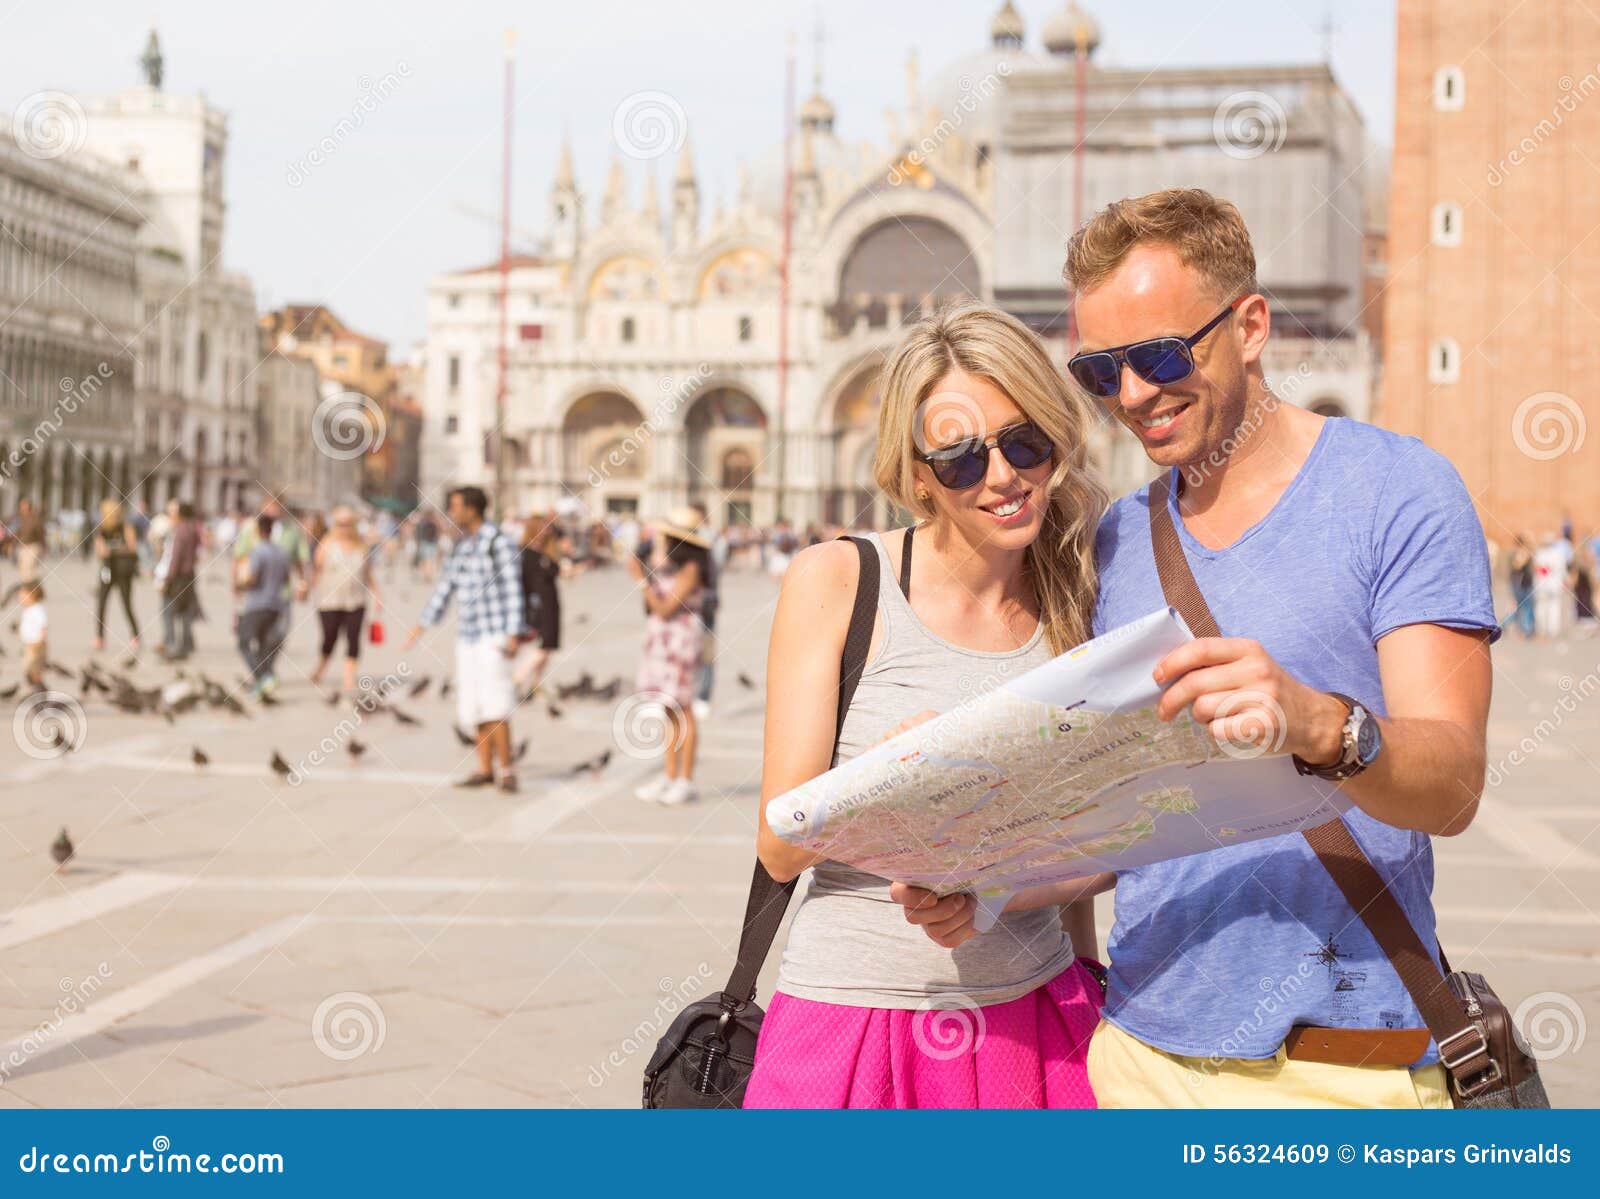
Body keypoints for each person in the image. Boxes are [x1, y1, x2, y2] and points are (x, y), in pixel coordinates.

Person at [986, 186, 1494, 1108]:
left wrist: (1319, 723)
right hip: (1139, 1061)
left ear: (1251, 326)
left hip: (1344, 1069)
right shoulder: (1116, 538)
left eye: (1159, 356)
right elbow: (1132, 829)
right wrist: (983, 879)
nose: (1132, 395)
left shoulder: (1398, 489)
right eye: (1101, 371)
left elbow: (1453, 784)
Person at [746, 301, 1110, 1109]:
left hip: (1040, 1016)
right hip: (853, 1020)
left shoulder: (1079, 597)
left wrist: (1003, 883)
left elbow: (1105, 840)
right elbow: (778, 846)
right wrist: (905, 774)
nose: (1003, 476)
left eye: (1025, 441)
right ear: (917, 474)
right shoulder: (839, 580)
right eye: (960, 460)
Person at [406, 487, 524, 793]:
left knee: (496, 702)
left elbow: (513, 589)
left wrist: (513, 634)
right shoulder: (462, 546)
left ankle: (506, 769)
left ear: (472, 509)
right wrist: (422, 624)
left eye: (456, 506)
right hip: (468, 636)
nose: (452, 512)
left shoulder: (498, 542)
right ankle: (484, 768)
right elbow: (445, 587)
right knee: (473, 704)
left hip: (494, 634)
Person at [627, 509, 710, 807]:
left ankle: (685, 780)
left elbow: (664, 609)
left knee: (683, 708)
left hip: (680, 643)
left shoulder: (691, 569)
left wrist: (641, 580)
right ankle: (669, 775)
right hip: (665, 642)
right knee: (667, 709)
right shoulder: (673, 567)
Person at [310, 506, 381, 697]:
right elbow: (315, 570)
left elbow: (368, 573)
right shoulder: (326, 544)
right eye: (340, 524)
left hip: (355, 600)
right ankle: (321, 667)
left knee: (353, 639)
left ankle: (349, 680)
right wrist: (306, 589)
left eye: (348, 524)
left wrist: (377, 595)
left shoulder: (361, 546)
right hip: (329, 601)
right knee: (330, 637)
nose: (344, 528)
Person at [235, 513, 293, 698]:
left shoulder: (258, 551)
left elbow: (252, 578)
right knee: (262, 645)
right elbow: (286, 579)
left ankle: (264, 677)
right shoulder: (282, 552)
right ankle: (263, 680)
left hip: (257, 604)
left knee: (243, 643)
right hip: (276, 604)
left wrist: (241, 584)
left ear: (258, 530)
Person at [514, 510, 564, 700]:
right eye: (543, 528)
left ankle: (536, 684)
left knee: (548, 647)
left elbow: (554, 571)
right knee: (544, 646)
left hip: (551, 603)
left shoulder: (546, 552)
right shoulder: (525, 554)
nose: (547, 532)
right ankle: (517, 679)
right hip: (539, 605)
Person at [91, 499, 142, 653]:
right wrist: (107, 550)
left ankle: (135, 636)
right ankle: (99, 637)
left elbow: (133, 547)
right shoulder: (101, 529)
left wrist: (114, 550)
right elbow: (99, 550)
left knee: (126, 603)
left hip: (123, 570)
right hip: (108, 569)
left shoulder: (125, 527)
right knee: (101, 603)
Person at [156, 500, 202, 661]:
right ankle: (186, 644)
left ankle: (171, 645)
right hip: (188, 575)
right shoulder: (193, 528)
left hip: (178, 577)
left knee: (167, 610)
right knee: (185, 611)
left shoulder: (181, 531)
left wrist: (168, 579)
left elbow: (176, 558)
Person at [1532, 531, 1569, 640]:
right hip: (1554, 585)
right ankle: (1553, 630)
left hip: (1542, 585)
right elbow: (1563, 570)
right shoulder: (1558, 554)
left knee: (1541, 608)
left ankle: (1541, 629)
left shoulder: (1540, 554)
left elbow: (1536, 569)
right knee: (1554, 608)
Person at [17, 580, 47, 691]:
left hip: (36, 646)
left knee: (33, 672)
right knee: (29, 672)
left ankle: (43, 693)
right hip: (29, 645)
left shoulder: (37, 609)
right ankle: (39, 693)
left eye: (22, 595)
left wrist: (39, 640)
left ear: (32, 595)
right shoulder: (29, 610)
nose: (19, 597)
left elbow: (43, 627)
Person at [1507, 534, 1536, 639]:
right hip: (1520, 585)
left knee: (1526, 607)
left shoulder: (1528, 552)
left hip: (1527, 584)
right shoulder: (1517, 553)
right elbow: (1517, 565)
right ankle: (1524, 630)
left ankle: (1527, 630)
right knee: (1521, 608)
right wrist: (1524, 557)